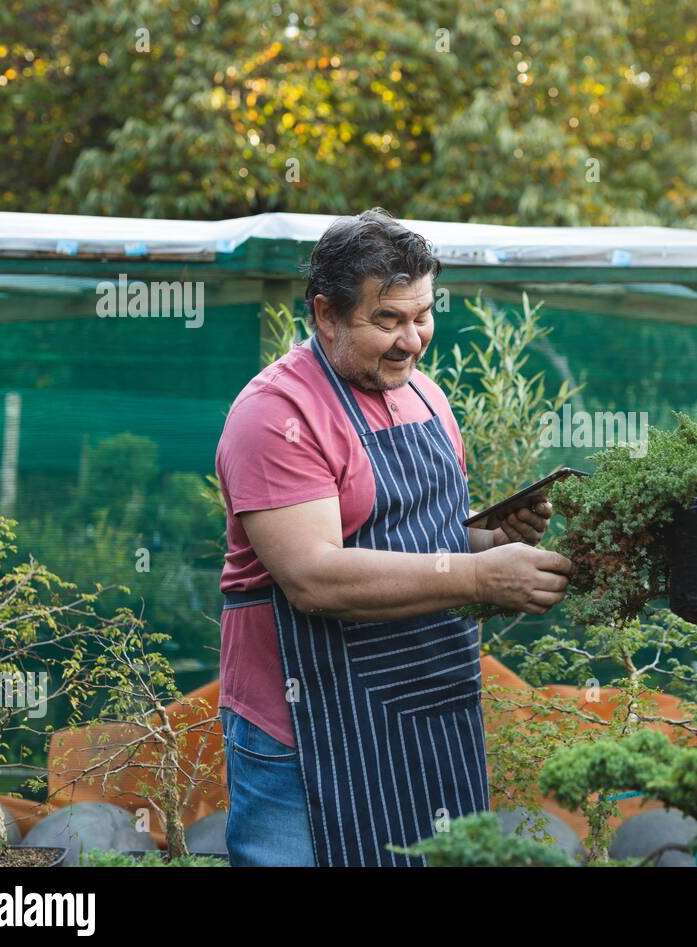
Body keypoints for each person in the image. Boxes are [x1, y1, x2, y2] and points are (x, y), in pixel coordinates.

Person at [215, 208, 571, 866]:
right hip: (309, 730)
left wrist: (490, 542)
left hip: (430, 716)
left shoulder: (428, 397)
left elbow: (424, 547)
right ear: (326, 314)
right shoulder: (278, 415)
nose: (413, 339)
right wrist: (481, 577)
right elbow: (314, 578)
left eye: (423, 315)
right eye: (387, 321)